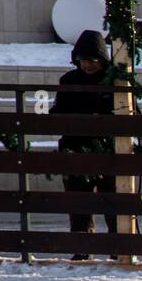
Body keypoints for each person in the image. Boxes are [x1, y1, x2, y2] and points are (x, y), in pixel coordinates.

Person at [50, 30, 116, 260]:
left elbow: (132, 113)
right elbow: (57, 112)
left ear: (102, 59)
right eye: (83, 60)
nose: (87, 65)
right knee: (78, 203)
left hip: (109, 152)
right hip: (76, 149)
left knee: (113, 203)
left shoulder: (114, 80)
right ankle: (81, 248)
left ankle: (118, 248)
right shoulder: (69, 80)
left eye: (93, 60)